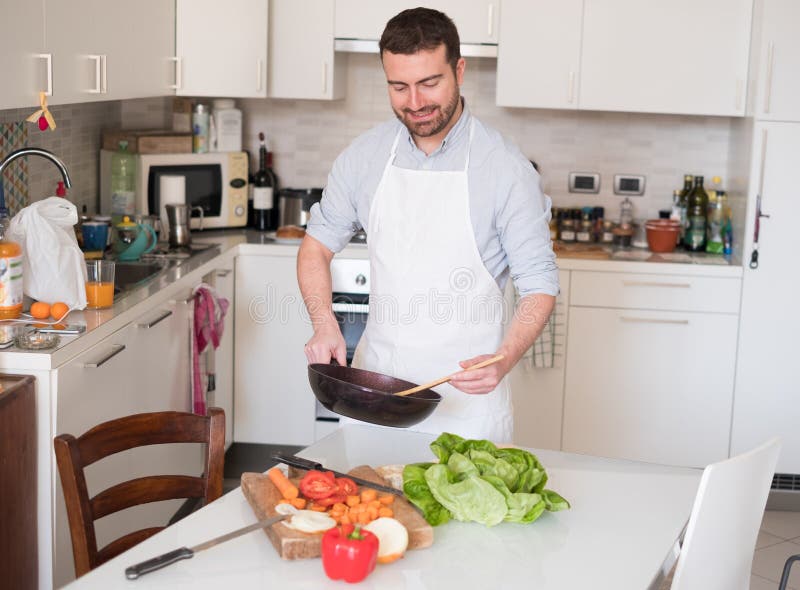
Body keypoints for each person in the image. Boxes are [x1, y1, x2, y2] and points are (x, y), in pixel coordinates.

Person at [298, 7, 558, 442]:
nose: (415, 102)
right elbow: (315, 248)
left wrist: (506, 356)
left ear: (459, 69)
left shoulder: (506, 170)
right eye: (399, 86)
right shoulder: (364, 157)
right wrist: (324, 324)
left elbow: (540, 285)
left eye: (429, 83)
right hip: (374, 394)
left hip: (467, 408)